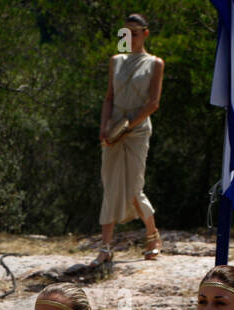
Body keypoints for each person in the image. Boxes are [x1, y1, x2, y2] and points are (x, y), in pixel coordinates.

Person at [93, 13, 165, 265]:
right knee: (111, 185)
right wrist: (105, 128)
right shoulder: (117, 61)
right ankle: (105, 247)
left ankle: (153, 236)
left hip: (136, 130)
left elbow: (153, 103)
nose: (129, 37)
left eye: (134, 33)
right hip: (113, 129)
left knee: (134, 187)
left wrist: (127, 126)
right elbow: (109, 98)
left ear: (145, 33)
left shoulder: (154, 63)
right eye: (125, 32)